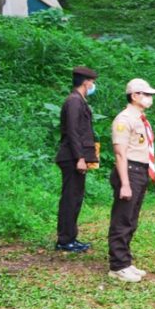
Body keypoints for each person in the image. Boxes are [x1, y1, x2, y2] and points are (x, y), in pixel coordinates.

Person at [107, 78, 155, 283]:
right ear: (134, 95)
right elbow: (120, 154)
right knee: (122, 219)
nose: (149, 99)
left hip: (140, 170)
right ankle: (118, 266)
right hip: (128, 171)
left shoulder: (140, 118)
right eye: (146, 95)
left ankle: (125, 261)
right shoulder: (124, 119)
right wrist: (125, 183)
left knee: (131, 218)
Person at [54, 66, 99, 253]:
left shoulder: (79, 100)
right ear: (86, 82)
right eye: (92, 82)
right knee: (71, 199)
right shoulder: (74, 101)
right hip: (72, 157)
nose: (93, 85)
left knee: (75, 197)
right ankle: (65, 240)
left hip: (75, 156)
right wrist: (79, 157)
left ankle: (70, 237)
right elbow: (73, 131)